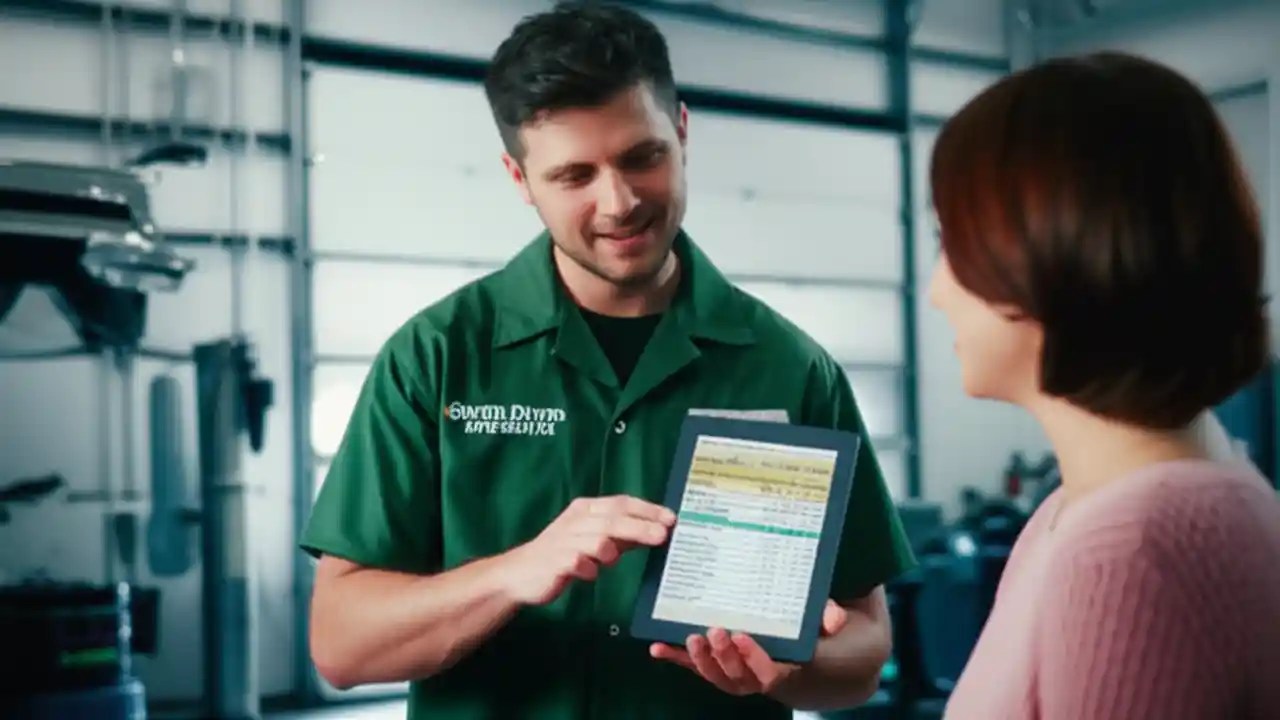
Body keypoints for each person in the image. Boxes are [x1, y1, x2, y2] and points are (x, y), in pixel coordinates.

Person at [299, 3, 916, 718]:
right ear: (519, 178)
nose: (618, 202)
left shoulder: (793, 370)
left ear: (682, 132)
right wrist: (514, 573)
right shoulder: (435, 359)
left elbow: (864, 647)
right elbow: (341, 646)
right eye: (573, 175)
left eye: (641, 157)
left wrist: (784, 670)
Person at [928, 51, 1280, 719]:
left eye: (953, 242)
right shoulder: (1078, 514)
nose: (937, 291)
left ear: (1046, 246)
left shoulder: (1132, 548)